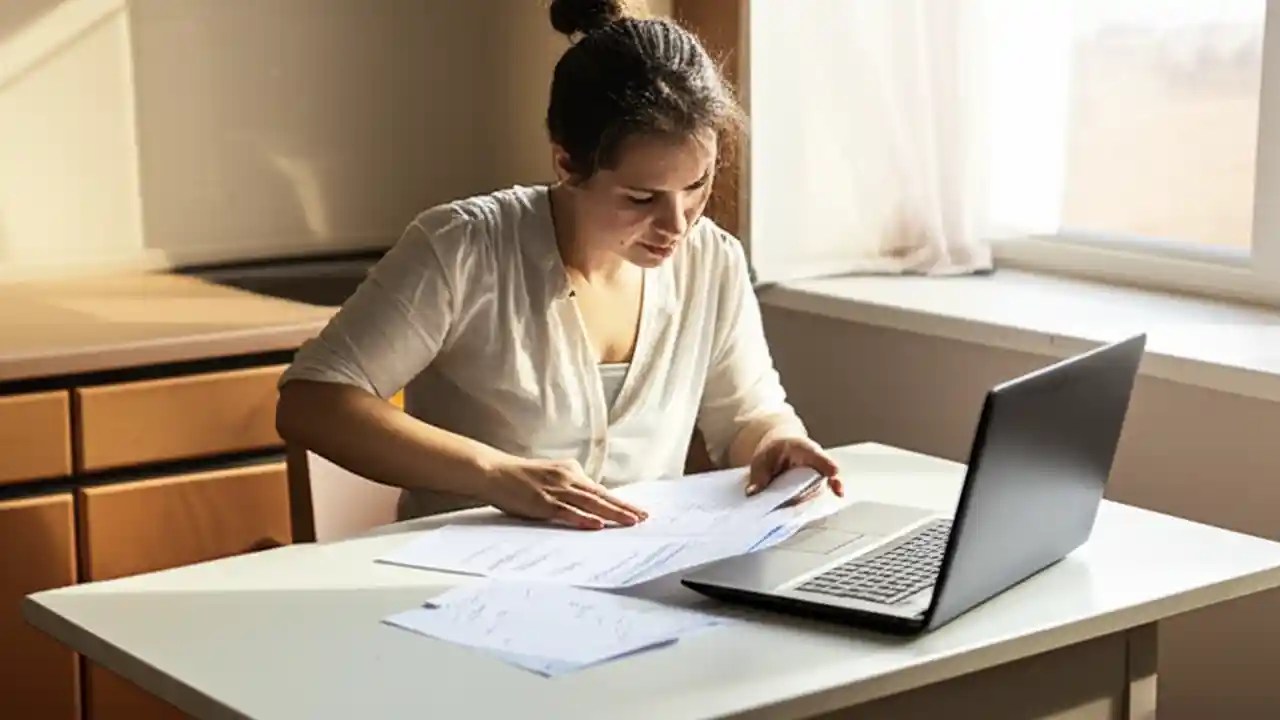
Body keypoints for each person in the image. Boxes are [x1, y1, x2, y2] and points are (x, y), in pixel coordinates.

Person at [275, 0, 843, 530]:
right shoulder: (464, 248)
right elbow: (313, 402)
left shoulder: (712, 262)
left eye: (697, 185)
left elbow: (745, 416)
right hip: (458, 589)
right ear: (568, 163)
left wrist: (775, 444)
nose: (679, 223)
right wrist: (495, 475)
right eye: (642, 199)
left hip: (633, 588)